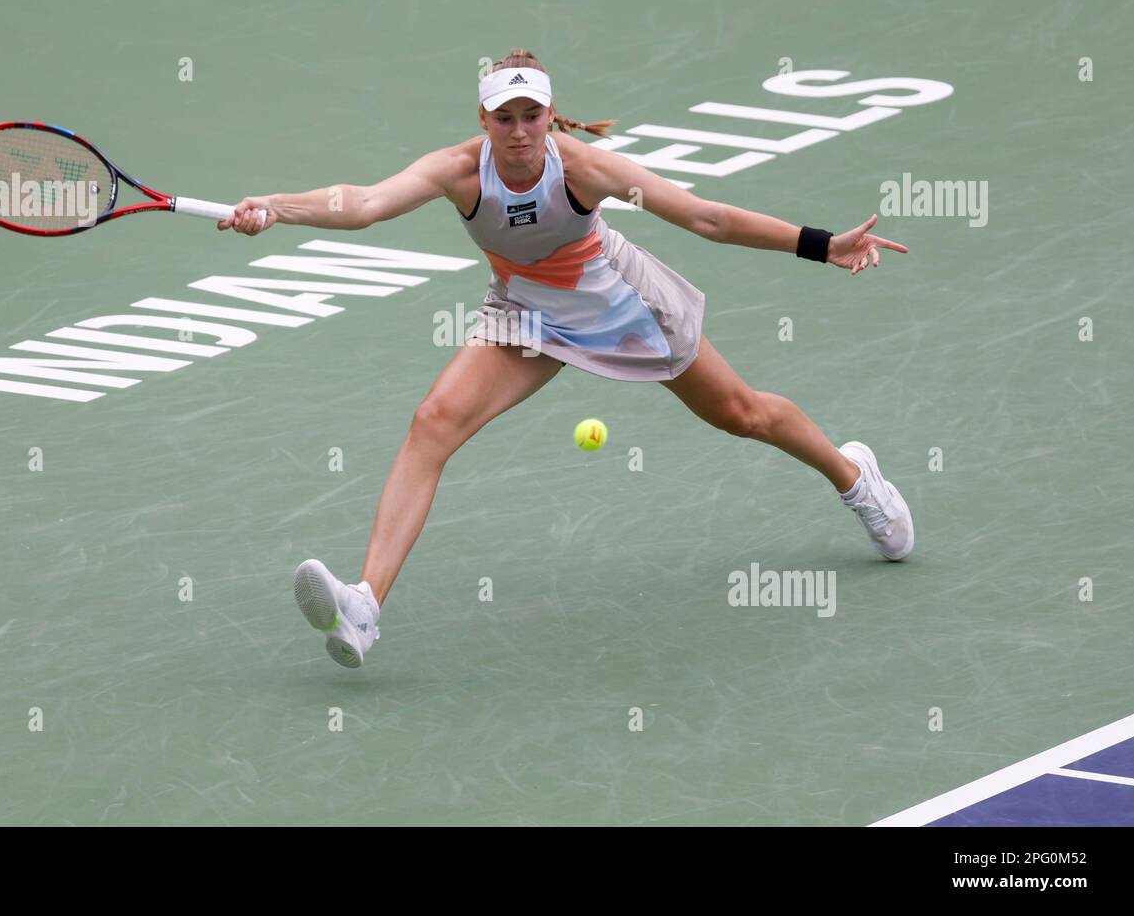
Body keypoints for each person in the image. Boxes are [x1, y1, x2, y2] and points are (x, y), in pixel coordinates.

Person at [219, 49, 914, 669]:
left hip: (622, 307)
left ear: (551, 117)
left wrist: (824, 244)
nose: (519, 131)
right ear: (483, 120)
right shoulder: (460, 170)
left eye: (531, 115)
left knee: (742, 413)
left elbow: (706, 218)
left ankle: (855, 478)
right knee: (434, 421)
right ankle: (365, 604)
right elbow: (364, 204)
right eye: (504, 117)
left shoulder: (584, 170)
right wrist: (276, 207)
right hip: (524, 313)